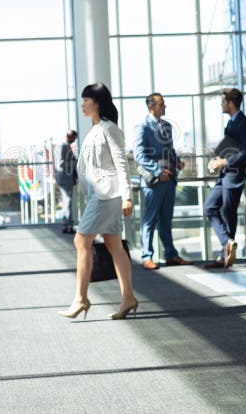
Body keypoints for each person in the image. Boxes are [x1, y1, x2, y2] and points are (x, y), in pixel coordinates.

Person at [58, 82, 138, 320]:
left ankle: (81, 299)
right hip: (100, 194)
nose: (83, 104)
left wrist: (128, 197)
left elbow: (121, 163)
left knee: (81, 240)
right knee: (114, 246)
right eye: (82, 100)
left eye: (87, 100)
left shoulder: (109, 129)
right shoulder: (94, 130)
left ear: (98, 102)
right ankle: (128, 298)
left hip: (108, 195)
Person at [134, 93, 192, 270]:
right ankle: (147, 256)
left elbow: (169, 149)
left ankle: (171, 255)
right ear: (152, 106)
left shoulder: (166, 126)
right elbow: (139, 155)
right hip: (154, 181)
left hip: (170, 178)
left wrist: (177, 162)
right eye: (162, 104)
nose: (165, 107)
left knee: (166, 219)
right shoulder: (142, 126)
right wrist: (158, 172)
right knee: (150, 220)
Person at [203, 88, 246, 269]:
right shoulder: (231, 124)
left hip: (235, 175)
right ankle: (227, 243)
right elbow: (230, 148)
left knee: (228, 212)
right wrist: (217, 161)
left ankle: (224, 255)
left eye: (223, 102)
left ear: (231, 104)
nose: (221, 105)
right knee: (209, 206)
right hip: (225, 173)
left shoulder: (245, 124)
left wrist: (224, 162)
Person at [56, 129, 78, 233]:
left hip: (66, 178)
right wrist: (73, 162)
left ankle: (66, 224)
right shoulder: (63, 146)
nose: (74, 140)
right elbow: (61, 163)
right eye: (74, 138)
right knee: (68, 201)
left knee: (66, 201)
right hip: (65, 178)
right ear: (70, 137)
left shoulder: (66, 146)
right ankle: (69, 225)